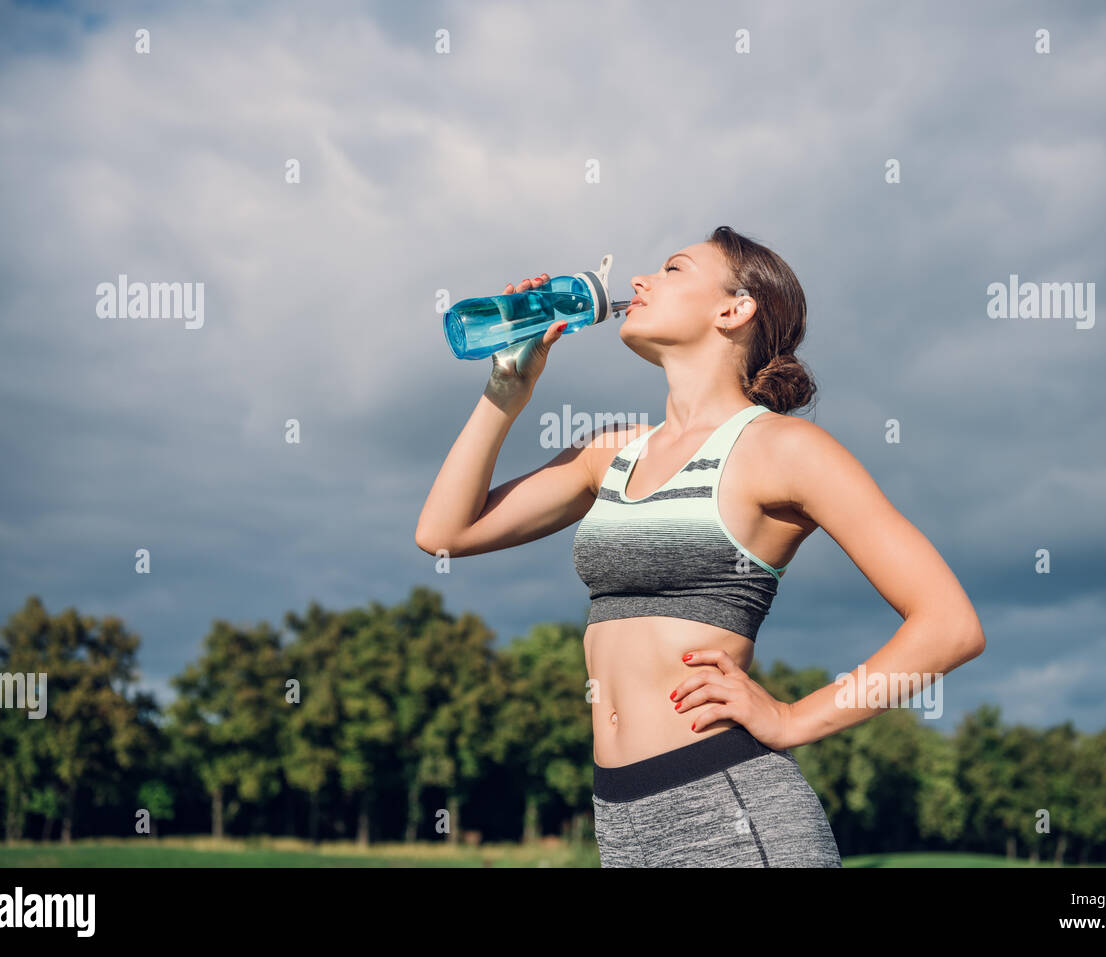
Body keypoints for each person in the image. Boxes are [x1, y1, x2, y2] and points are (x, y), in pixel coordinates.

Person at [415, 226, 985, 867]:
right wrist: (506, 390)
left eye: (673, 268)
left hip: (732, 812)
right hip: (622, 823)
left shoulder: (783, 450)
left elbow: (949, 626)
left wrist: (794, 719)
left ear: (734, 309)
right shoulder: (610, 453)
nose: (638, 282)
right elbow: (444, 533)